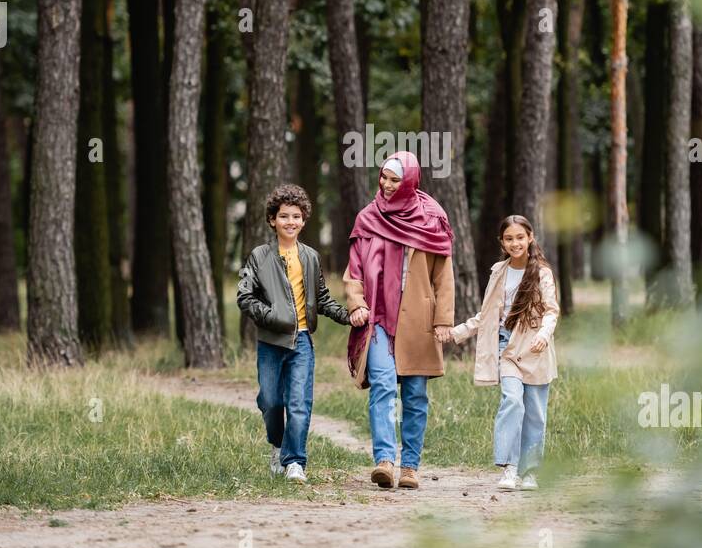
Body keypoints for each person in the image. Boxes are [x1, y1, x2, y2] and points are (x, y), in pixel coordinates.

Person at [344, 152, 454, 491]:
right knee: (382, 385)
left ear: (409, 181)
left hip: (419, 319)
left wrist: (443, 319)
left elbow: (443, 277)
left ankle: (410, 466)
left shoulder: (431, 218)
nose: (388, 185)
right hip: (378, 317)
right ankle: (384, 461)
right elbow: (354, 272)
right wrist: (356, 304)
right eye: (384, 178)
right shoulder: (368, 217)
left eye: (395, 180)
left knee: (416, 395)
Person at [237, 184, 360, 484]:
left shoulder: (310, 257)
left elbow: (323, 298)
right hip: (270, 342)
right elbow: (244, 296)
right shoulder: (259, 256)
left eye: (296, 216)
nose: (290, 222)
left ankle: (295, 462)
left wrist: (348, 316)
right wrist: (272, 317)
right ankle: (278, 447)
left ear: (304, 220)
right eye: (283, 217)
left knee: (299, 403)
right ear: (272, 220)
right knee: (270, 401)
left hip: (302, 341)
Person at [446, 214, 559, 491]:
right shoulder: (499, 271)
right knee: (512, 400)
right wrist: (458, 332)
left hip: (535, 347)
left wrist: (544, 335)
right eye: (509, 238)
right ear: (502, 242)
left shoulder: (542, 272)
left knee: (535, 412)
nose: (515, 243)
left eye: (520, 237)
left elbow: (551, 310)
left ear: (530, 237)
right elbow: (487, 315)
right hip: (507, 347)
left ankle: (529, 471)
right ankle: (509, 468)